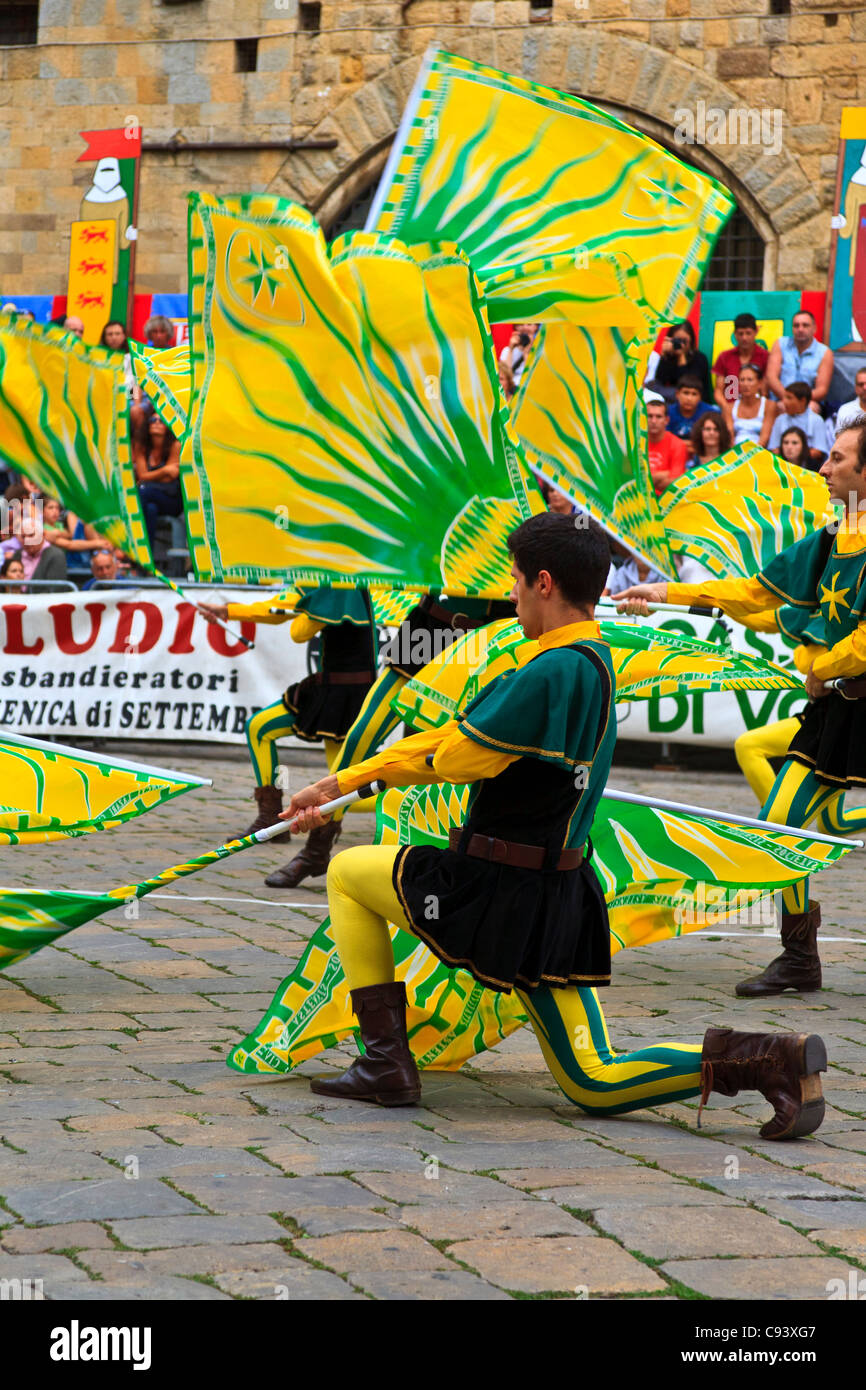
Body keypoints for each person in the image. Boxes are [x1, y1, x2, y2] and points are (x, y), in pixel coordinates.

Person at [279, 512, 827, 1140]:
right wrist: (342, 782)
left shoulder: (547, 670)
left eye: (514, 580)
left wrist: (353, 780)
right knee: (592, 1078)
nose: (508, 594)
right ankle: (772, 1061)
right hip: (559, 893)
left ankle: (384, 1062)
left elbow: (455, 758)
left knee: (347, 872)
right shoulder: (593, 659)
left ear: (543, 582)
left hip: (500, 892)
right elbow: (462, 742)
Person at [618, 421, 866, 1001]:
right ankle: (800, 956)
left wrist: (822, 669)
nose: (824, 470)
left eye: (837, 459)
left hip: (847, 696)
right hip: (837, 711)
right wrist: (665, 594)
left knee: (782, 824)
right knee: (779, 828)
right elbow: (757, 598)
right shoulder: (833, 538)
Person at [198, 586, 379, 843]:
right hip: (332, 689)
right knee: (259, 727)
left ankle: (420, 795)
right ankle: (271, 818)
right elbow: (281, 605)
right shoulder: (328, 579)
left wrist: (308, 606)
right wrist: (228, 611)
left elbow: (298, 632)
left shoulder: (340, 585)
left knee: (347, 791)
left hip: (347, 696)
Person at [132, 414, 183, 550]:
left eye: (161, 421)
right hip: (150, 499)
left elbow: (170, 478)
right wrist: (165, 469)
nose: (156, 423)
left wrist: (148, 477)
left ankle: (135, 547)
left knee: (142, 491)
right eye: (152, 420)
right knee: (150, 509)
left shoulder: (175, 445)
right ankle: (147, 557)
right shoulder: (141, 446)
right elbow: (142, 475)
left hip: (172, 499)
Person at [765, 309, 833, 411]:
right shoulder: (780, 344)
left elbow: (822, 390)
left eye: (805, 325)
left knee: (812, 408)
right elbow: (771, 377)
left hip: (808, 401)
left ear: (814, 328)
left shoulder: (825, 352)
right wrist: (788, 398)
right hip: (780, 399)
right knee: (778, 407)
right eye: (796, 326)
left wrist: (798, 401)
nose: (800, 329)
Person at [761, 381, 828, 464]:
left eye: (789, 398)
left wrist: (796, 456)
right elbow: (774, 448)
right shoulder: (780, 419)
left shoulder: (817, 420)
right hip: (783, 465)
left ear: (802, 400)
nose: (784, 401)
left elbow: (818, 451)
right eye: (784, 397)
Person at [712, 312, 769, 409]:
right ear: (735, 334)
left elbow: (765, 392)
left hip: (756, 410)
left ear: (756, 332)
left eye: (748, 333)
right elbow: (718, 391)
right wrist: (728, 409)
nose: (744, 338)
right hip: (729, 408)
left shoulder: (765, 356)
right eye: (740, 334)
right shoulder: (725, 356)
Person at [40, 497, 107, 570]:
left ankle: (104, 553)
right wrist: (97, 543)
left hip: (77, 555)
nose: (55, 511)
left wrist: (59, 533)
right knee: (79, 518)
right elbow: (69, 545)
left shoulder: (58, 525)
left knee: (93, 522)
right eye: (50, 508)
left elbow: (70, 534)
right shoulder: (44, 530)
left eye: (57, 508)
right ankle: (102, 553)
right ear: (42, 511)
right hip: (69, 561)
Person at [652, 321, 713, 402]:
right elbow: (659, 382)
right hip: (670, 402)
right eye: (677, 340)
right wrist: (664, 355)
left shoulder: (699, 358)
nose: (681, 344)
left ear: (691, 340)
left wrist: (681, 356)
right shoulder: (667, 358)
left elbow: (689, 384)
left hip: (696, 403)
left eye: (684, 340)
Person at [646, 399, 689, 495]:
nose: (653, 421)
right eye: (649, 416)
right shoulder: (635, 443)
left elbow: (674, 484)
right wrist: (660, 475)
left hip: (664, 499)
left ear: (666, 420)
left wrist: (646, 479)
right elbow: (627, 480)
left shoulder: (678, 444)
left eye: (658, 417)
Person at [16, 511, 68, 590]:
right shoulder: (17, 554)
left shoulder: (56, 556)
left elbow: (55, 589)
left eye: (31, 535)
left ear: (43, 535)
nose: (27, 540)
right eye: (23, 536)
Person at [723, 364, 767, 447]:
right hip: (736, 453)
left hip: (761, 453)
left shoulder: (768, 406)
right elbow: (729, 436)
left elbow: (765, 438)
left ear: (760, 383)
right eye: (742, 380)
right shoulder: (729, 407)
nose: (745, 384)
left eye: (750, 380)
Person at [666, 375, 719, 441]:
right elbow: (665, 440)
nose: (689, 398)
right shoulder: (668, 412)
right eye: (686, 393)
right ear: (677, 394)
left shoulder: (710, 413)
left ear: (700, 397)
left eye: (694, 394)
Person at [834, 367, 866, 434]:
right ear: (855, 387)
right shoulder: (845, 410)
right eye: (861, 384)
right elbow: (839, 439)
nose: (865, 388)